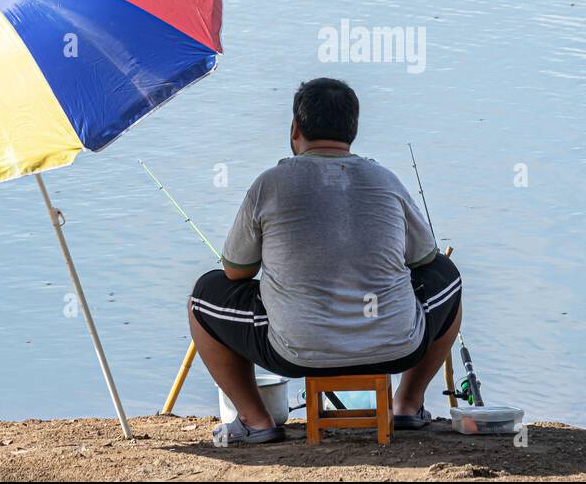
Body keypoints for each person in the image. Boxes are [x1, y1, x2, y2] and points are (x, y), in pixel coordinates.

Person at [187, 78, 462, 444]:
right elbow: (425, 259)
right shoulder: (385, 179)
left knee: (205, 294)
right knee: (448, 277)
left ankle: (256, 421)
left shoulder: (270, 183)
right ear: (354, 128)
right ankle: (408, 405)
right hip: (396, 346)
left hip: (295, 352)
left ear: (295, 128)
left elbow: (235, 272)